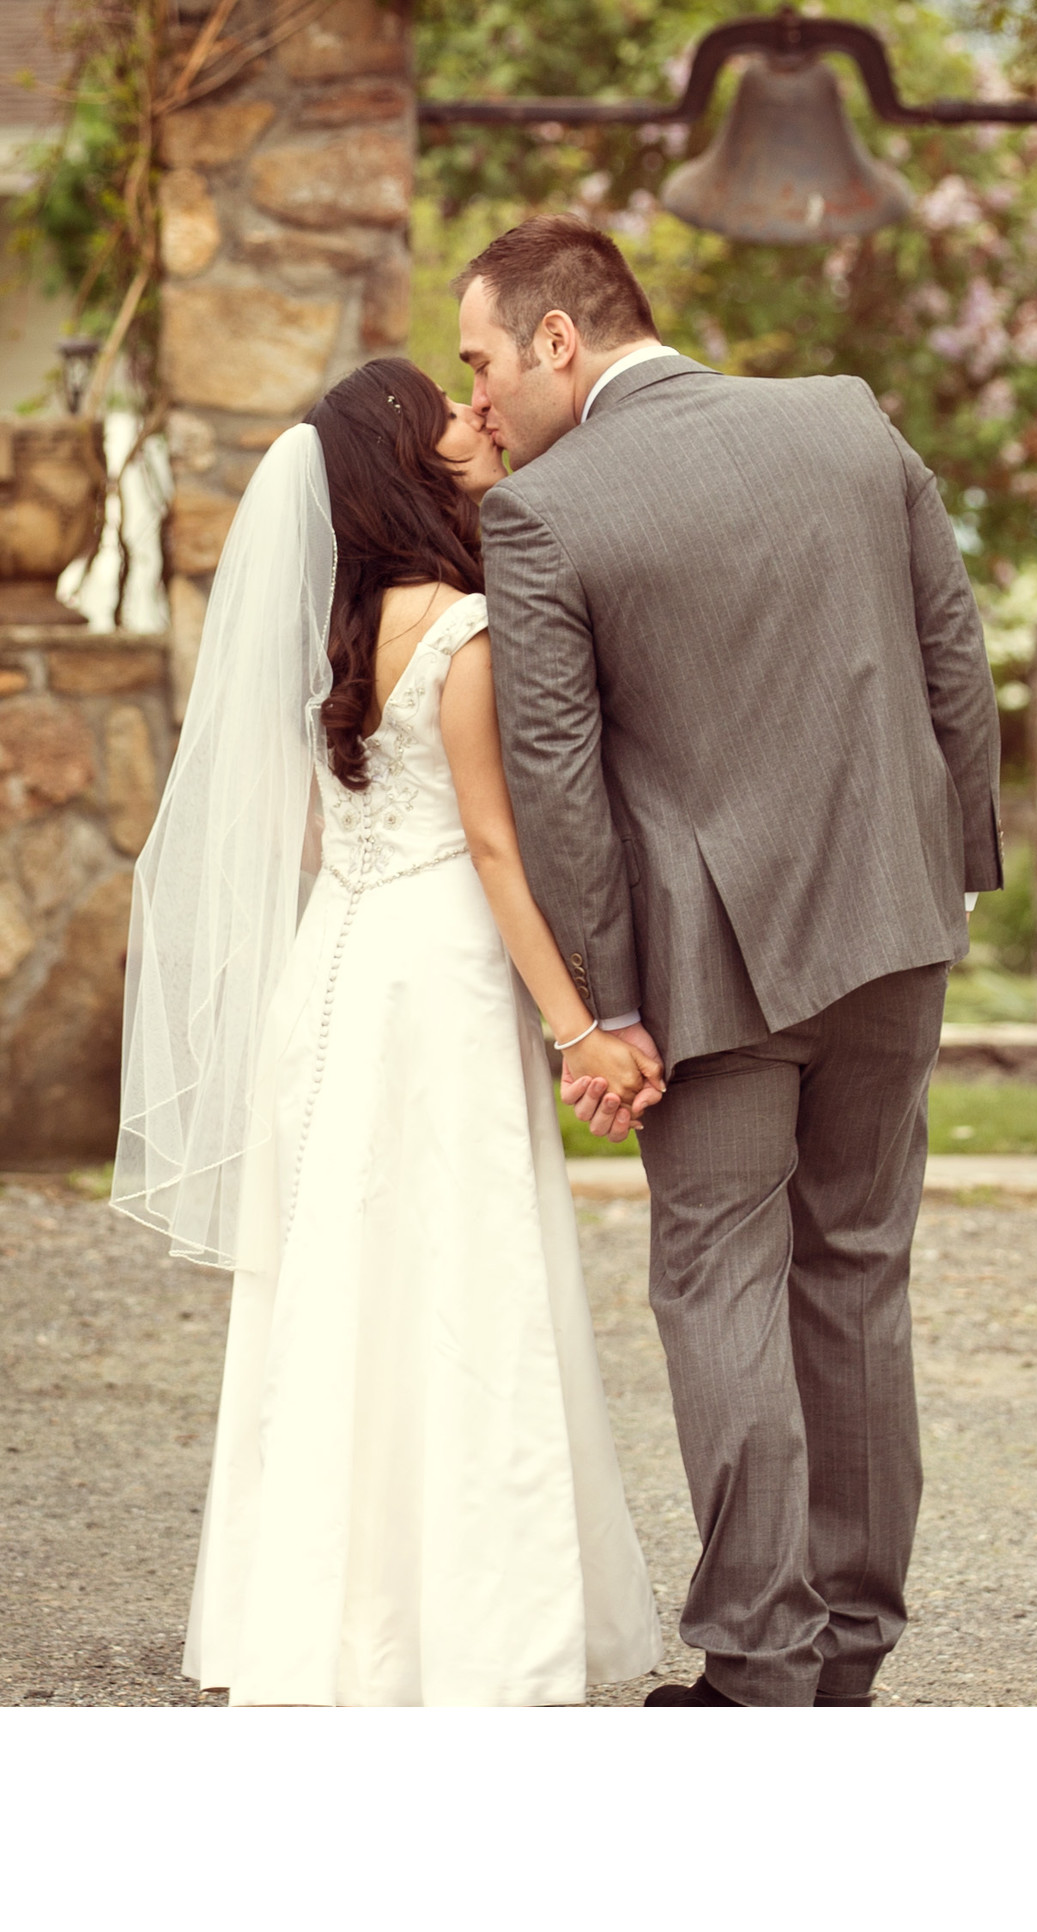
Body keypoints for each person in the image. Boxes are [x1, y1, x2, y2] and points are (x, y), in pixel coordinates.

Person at [455, 216, 1003, 1707]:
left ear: (559, 340)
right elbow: (955, 656)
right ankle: (855, 1649)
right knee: (860, 1275)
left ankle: (759, 1661)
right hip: (893, 932)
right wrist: (944, 873)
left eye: (485, 361)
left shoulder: (544, 513)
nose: (480, 400)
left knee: (720, 1285)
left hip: (712, 978)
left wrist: (608, 1009)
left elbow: (556, 784)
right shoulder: (845, 417)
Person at [113, 357, 664, 1707]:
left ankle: (313, 1622)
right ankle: (473, 1626)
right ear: (406, 461)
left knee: (339, 1286)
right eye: (447, 414)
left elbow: (325, 826)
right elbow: (488, 842)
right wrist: (577, 1028)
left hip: (333, 970)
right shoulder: (464, 628)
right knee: (460, 1280)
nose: (471, 419)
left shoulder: (329, 632)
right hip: (439, 982)